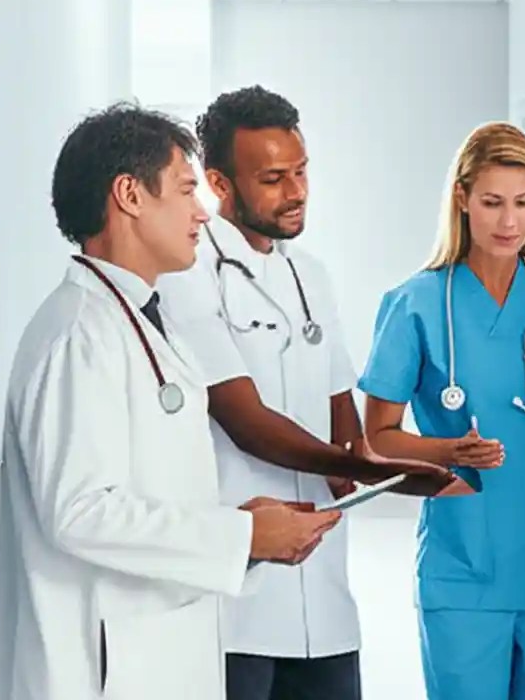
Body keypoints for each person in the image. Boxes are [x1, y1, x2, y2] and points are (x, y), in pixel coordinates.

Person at [0, 103, 345, 700]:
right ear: (129, 194)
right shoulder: (82, 333)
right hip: (103, 668)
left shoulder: (136, 318)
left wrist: (240, 525)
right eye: (186, 189)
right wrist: (242, 538)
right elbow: (80, 513)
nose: (202, 212)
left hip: (152, 653)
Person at [357, 121, 525, 700]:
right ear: (462, 199)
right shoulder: (416, 302)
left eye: (523, 203)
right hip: (462, 556)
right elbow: (376, 438)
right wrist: (448, 458)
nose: (509, 222)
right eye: (493, 202)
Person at [158, 85, 369, 699]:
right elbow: (241, 415)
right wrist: (352, 460)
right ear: (220, 183)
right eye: (274, 178)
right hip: (240, 604)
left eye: (301, 171)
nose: (297, 191)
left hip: (325, 595)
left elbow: (340, 404)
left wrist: (377, 465)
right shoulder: (189, 274)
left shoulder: (313, 275)